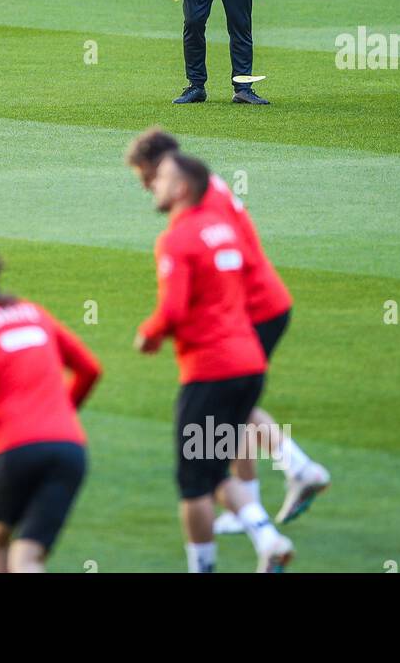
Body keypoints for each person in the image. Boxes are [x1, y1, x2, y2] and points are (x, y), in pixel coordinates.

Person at [125, 128, 330, 531]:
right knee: (229, 407)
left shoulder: (204, 203)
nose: (149, 187)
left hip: (251, 307)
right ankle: (251, 498)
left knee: (227, 397)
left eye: (149, 177)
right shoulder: (209, 188)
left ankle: (298, 467)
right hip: (251, 304)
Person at [132, 151, 293, 572]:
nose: (152, 183)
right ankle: (267, 536)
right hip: (248, 366)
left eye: (162, 178)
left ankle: (203, 567)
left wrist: (148, 336)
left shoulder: (177, 239)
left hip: (211, 373)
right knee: (214, 468)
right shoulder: (221, 229)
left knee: (193, 485)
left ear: (183, 189)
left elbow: (173, 310)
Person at [0, 248, 101, 573]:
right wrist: (60, 416)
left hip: (13, 450)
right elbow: (89, 369)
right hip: (70, 450)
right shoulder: (31, 312)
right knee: (27, 557)